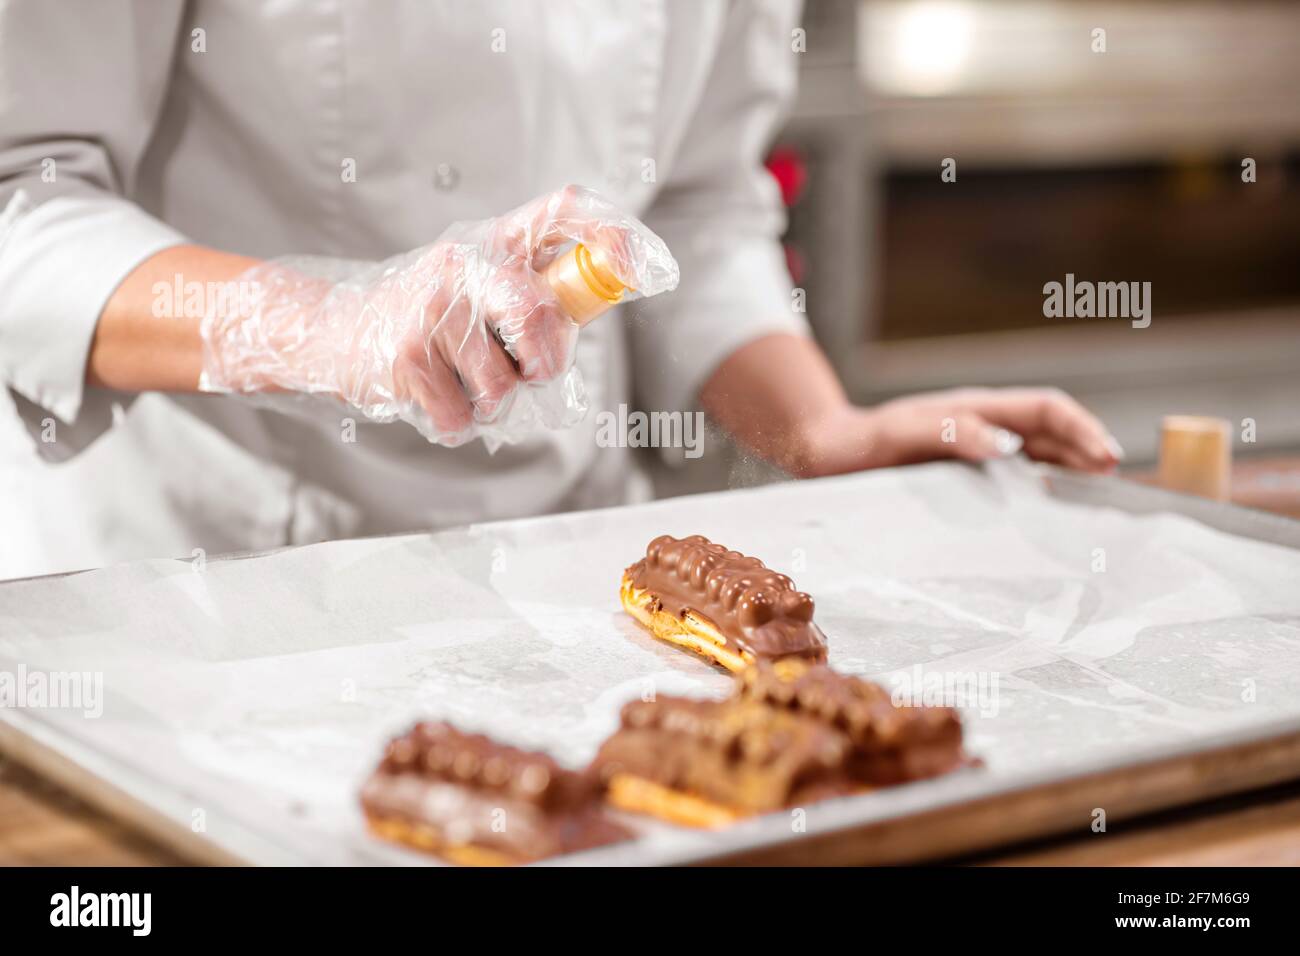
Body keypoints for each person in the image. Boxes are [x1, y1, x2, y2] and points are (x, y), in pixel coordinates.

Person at [0, 1, 1119, 575]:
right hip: (212, 568)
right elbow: (23, 197)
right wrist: (336, 326)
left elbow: (689, 206)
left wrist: (819, 431)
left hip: (565, 567)